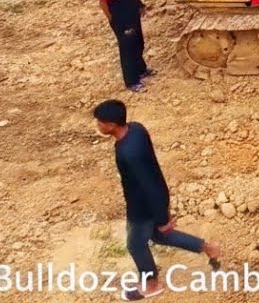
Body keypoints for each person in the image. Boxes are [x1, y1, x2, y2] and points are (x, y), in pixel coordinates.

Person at [93, 99, 222, 301]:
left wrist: (161, 219)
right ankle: (208, 248)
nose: (98, 126)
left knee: (136, 245)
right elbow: (152, 177)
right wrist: (162, 211)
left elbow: (148, 186)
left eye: (99, 122)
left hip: (142, 208)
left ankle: (151, 284)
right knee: (160, 236)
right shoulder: (136, 129)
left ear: (111, 125)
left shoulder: (128, 153)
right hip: (155, 199)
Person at [97, 0, 153, 93]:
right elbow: (104, 3)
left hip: (132, 14)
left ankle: (141, 70)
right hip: (121, 19)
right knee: (127, 49)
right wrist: (114, 21)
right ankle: (132, 81)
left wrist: (139, 5)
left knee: (138, 43)